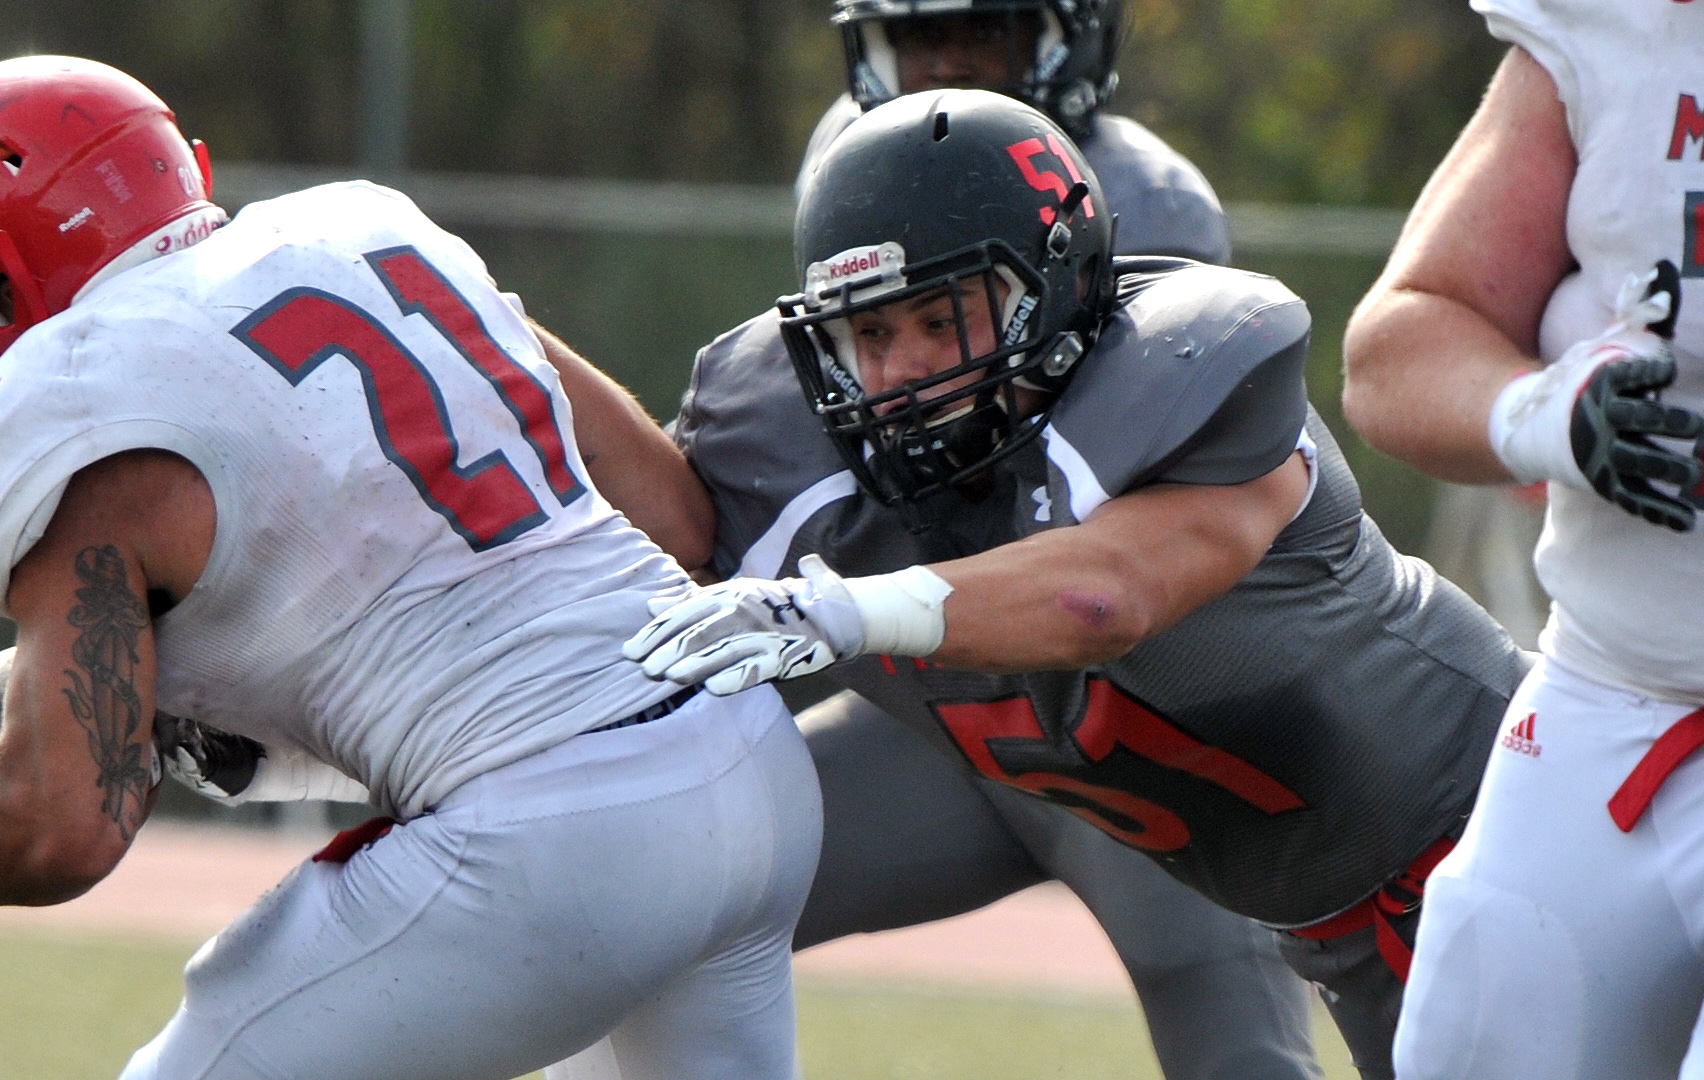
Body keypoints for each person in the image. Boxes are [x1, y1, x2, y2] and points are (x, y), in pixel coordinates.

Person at [0, 55, 821, 1080]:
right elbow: (672, 519)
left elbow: (63, 829)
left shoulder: (85, 407)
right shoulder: (369, 231)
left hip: (559, 840)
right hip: (751, 767)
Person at [625, 88, 1529, 1080]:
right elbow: (669, 519)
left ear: (1055, 291)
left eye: (941, 317)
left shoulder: (1183, 370)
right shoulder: (815, 451)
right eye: (870, 335)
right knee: (642, 906)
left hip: (1496, 838)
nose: (902, 370)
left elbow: (1103, 596)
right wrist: (489, 322)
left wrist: (837, 609)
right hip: (1344, 917)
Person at [761, 5, 1332, 1079]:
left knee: (1240, 1054)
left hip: (1139, 724)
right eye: (916, 40)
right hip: (942, 714)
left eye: (979, 34)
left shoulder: (1145, 200)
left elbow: (1074, 524)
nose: (944, 67)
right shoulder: (848, 159)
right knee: (661, 898)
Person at [1339, 0, 1704, 1074]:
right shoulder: (1616, 28)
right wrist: (1548, 413)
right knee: (1483, 1034)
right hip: (1610, 689)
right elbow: (1395, 352)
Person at [800, 0, 1232, 266]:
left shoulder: (1149, 200)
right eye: (923, 34)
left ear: (1072, 47)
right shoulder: (844, 147)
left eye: (988, 33)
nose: (949, 66)